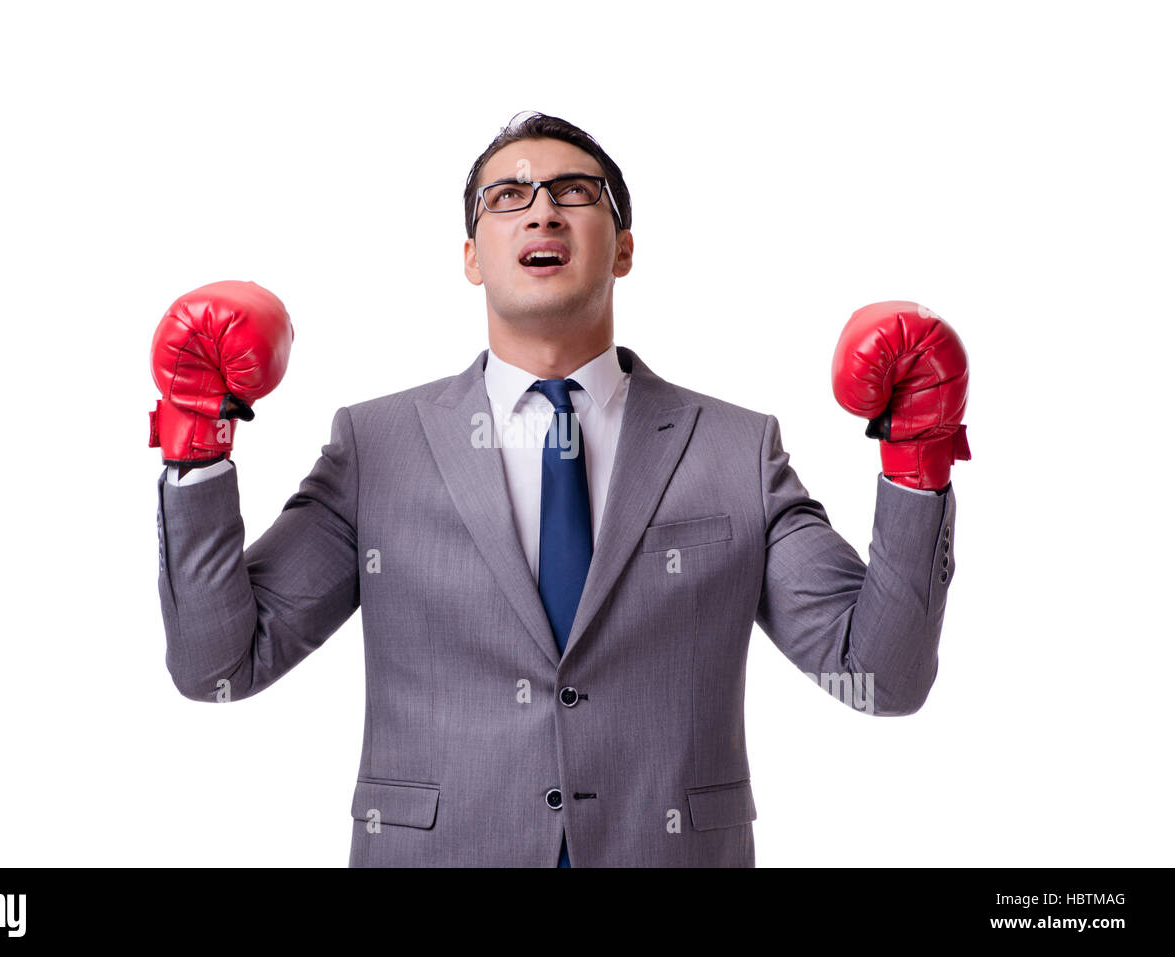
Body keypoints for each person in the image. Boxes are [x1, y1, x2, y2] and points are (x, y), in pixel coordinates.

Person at [149, 111, 969, 867]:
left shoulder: (735, 447)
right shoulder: (377, 447)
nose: (541, 211)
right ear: (471, 256)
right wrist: (196, 437)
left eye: (575, 192)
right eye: (508, 196)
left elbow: (881, 675)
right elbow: (220, 661)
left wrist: (915, 452)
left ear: (624, 247)